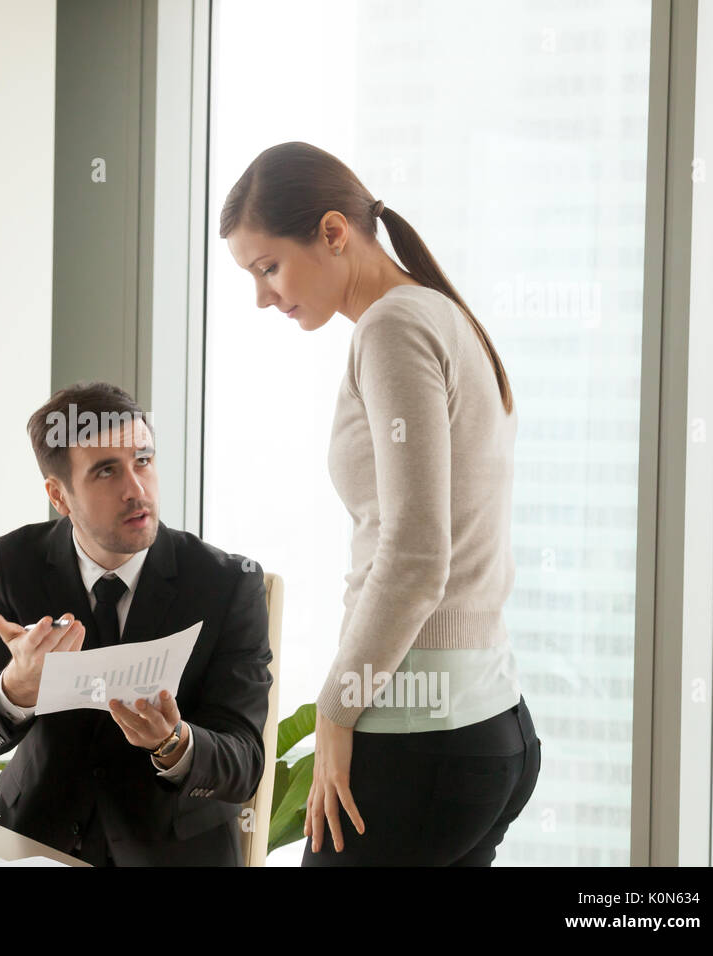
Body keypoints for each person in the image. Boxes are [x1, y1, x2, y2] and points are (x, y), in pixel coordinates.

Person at [221, 141, 540, 865]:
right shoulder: (440, 315)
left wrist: (337, 710)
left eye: (268, 267)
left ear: (334, 233)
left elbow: (418, 554)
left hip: (417, 737)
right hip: (490, 723)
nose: (263, 296)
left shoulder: (393, 328)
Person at [0, 382, 272, 866]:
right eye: (107, 471)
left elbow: (244, 765)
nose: (136, 489)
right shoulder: (11, 564)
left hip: (172, 852)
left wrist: (174, 743)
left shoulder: (228, 584)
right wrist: (17, 687)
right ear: (58, 495)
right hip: (35, 842)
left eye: (143, 461)